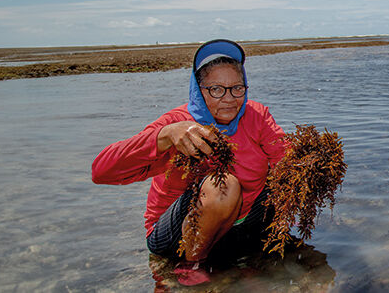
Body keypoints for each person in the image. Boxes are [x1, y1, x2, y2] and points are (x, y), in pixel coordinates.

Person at [91, 39, 289, 286]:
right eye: (216, 89)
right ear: (198, 89)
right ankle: (191, 265)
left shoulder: (256, 114)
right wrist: (164, 136)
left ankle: (251, 257)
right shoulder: (177, 124)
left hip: (238, 225)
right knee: (222, 185)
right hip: (178, 237)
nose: (229, 98)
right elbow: (101, 172)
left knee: (288, 178)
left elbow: (286, 158)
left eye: (237, 88)